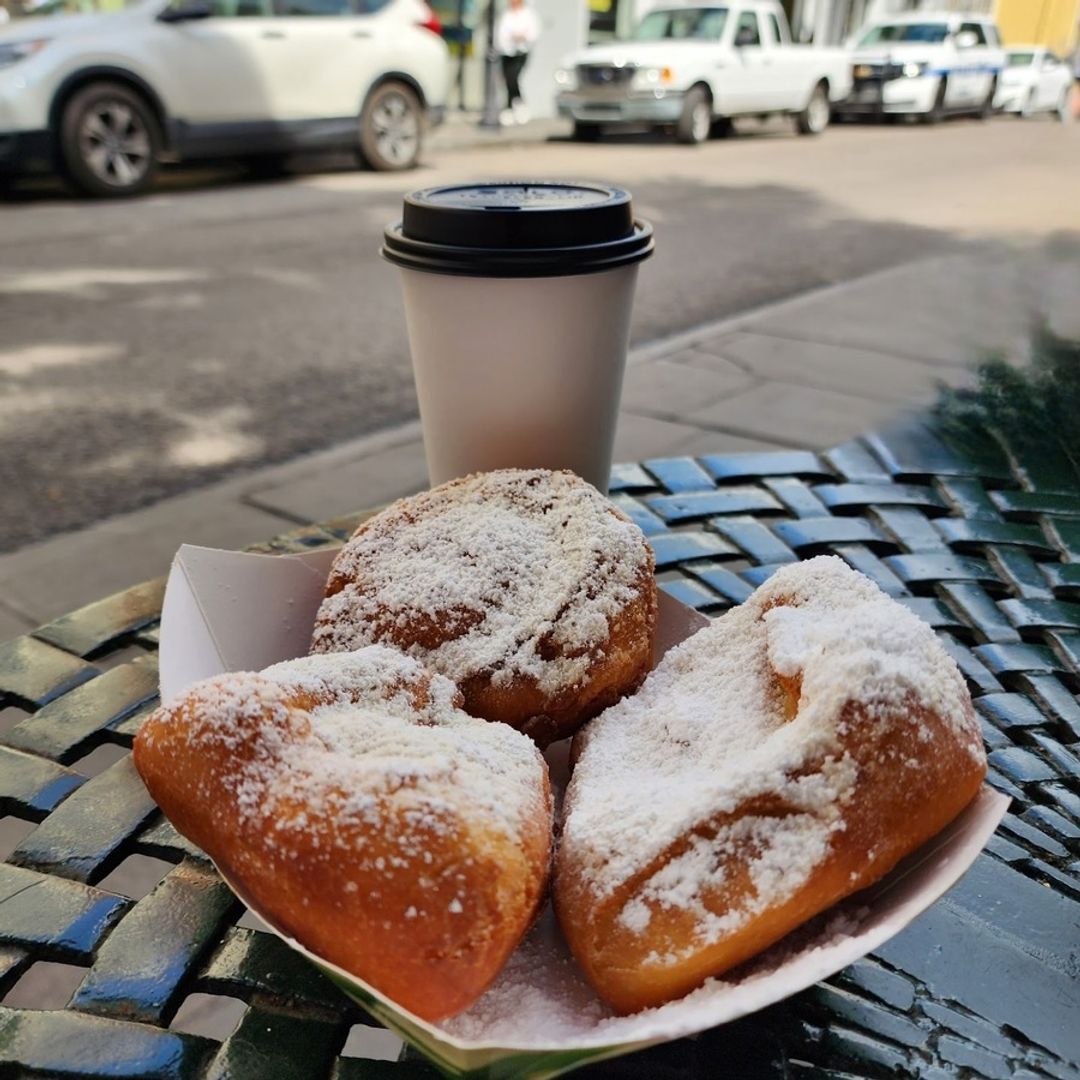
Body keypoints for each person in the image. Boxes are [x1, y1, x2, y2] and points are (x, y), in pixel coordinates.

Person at [495, 0, 541, 126]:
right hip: (506, 52)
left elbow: (532, 33)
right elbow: (501, 34)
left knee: (514, 78)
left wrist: (521, 36)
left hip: (521, 51)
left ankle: (517, 105)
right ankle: (511, 107)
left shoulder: (528, 14)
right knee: (508, 80)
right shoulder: (506, 14)